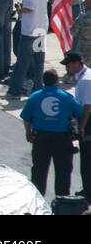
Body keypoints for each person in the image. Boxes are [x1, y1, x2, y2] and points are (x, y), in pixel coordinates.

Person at [20, 69, 80, 197]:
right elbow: (79, 113)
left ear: (43, 81)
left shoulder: (35, 96)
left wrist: (28, 132)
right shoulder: (67, 97)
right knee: (63, 172)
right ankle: (62, 203)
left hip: (41, 138)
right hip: (62, 139)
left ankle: (38, 201)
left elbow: (26, 117)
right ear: (57, 81)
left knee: (39, 172)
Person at [7, 0, 50, 99]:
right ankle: (38, 87)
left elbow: (29, 8)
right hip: (41, 26)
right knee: (38, 58)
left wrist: (20, 9)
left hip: (30, 27)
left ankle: (15, 89)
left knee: (23, 60)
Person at [61, 51, 91, 197]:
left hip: (88, 121)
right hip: (87, 119)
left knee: (86, 160)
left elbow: (87, 107)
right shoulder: (84, 76)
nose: (68, 68)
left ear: (77, 63)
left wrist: (82, 127)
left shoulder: (85, 80)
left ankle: (88, 191)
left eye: (69, 65)